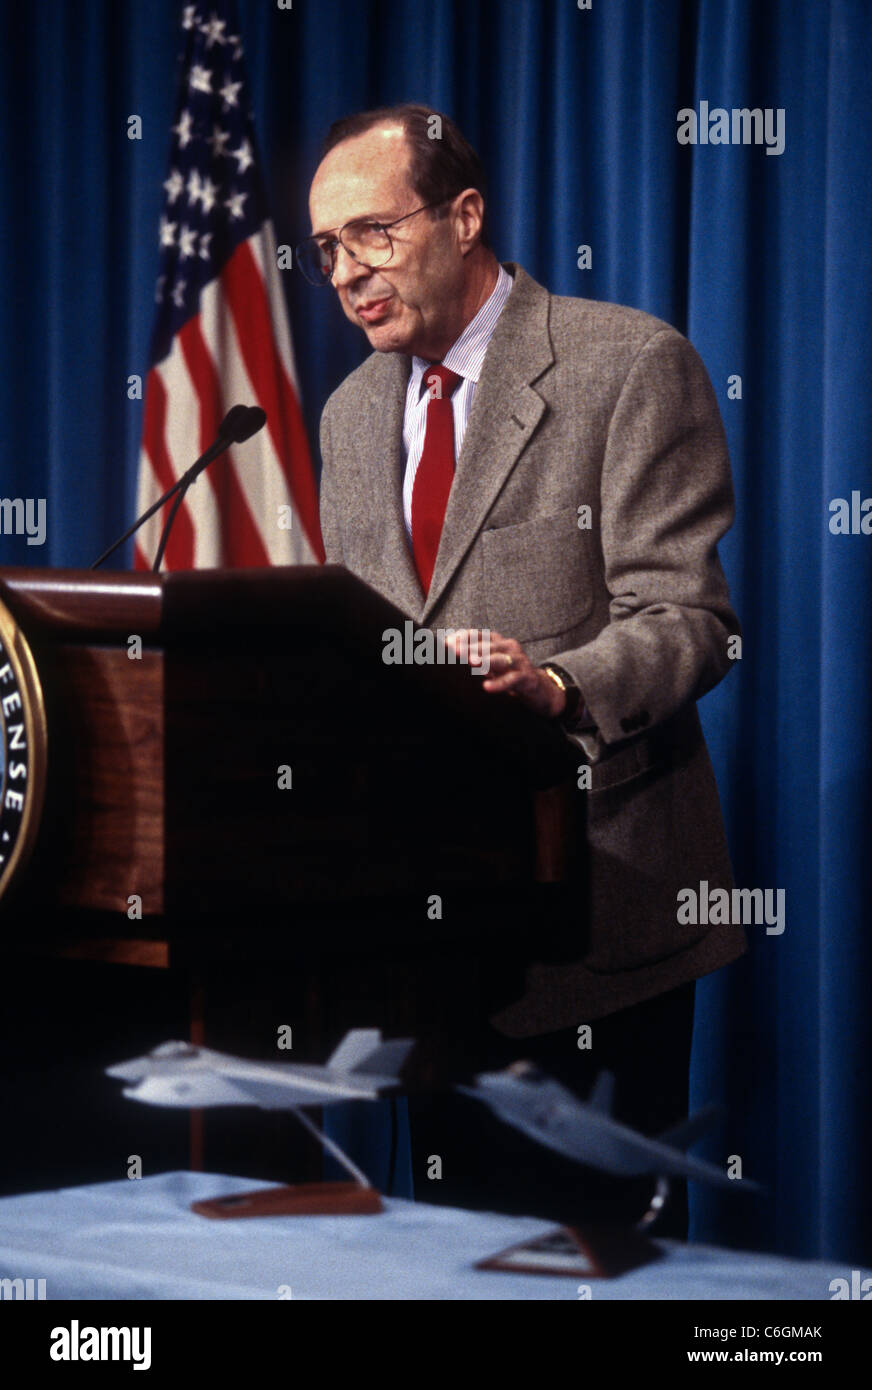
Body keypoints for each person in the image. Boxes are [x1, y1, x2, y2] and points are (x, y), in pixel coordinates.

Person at [301, 104, 745, 1232]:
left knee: (594, 1270)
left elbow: (687, 619)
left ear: (463, 216)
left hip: (593, 918)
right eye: (326, 252)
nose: (348, 274)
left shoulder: (625, 363)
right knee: (452, 1267)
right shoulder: (349, 413)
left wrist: (555, 685)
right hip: (425, 940)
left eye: (372, 235)